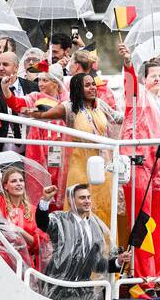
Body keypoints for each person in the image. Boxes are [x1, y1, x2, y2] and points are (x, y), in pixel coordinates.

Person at [118, 45, 160, 281]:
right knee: (143, 221)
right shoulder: (138, 98)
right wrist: (127, 63)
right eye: (153, 75)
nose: (158, 79)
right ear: (144, 80)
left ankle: (158, 274)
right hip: (140, 164)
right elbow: (130, 84)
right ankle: (143, 275)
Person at [31, 70, 119, 229]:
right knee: (79, 205)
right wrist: (25, 109)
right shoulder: (69, 108)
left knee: (103, 207)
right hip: (80, 166)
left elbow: (118, 118)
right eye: (87, 85)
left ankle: (105, 250)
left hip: (103, 166)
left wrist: (137, 102)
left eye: (93, 84)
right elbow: (43, 116)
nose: (93, 88)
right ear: (78, 88)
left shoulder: (100, 104)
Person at [34, 183, 129, 300]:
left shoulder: (95, 226)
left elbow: (97, 263)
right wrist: (45, 201)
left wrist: (117, 261)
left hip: (84, 290)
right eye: (82, 198)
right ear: (71, 200)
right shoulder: (60, 219)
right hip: (58, 287)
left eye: (89, 197)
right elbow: (43, 222)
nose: (87, 201)